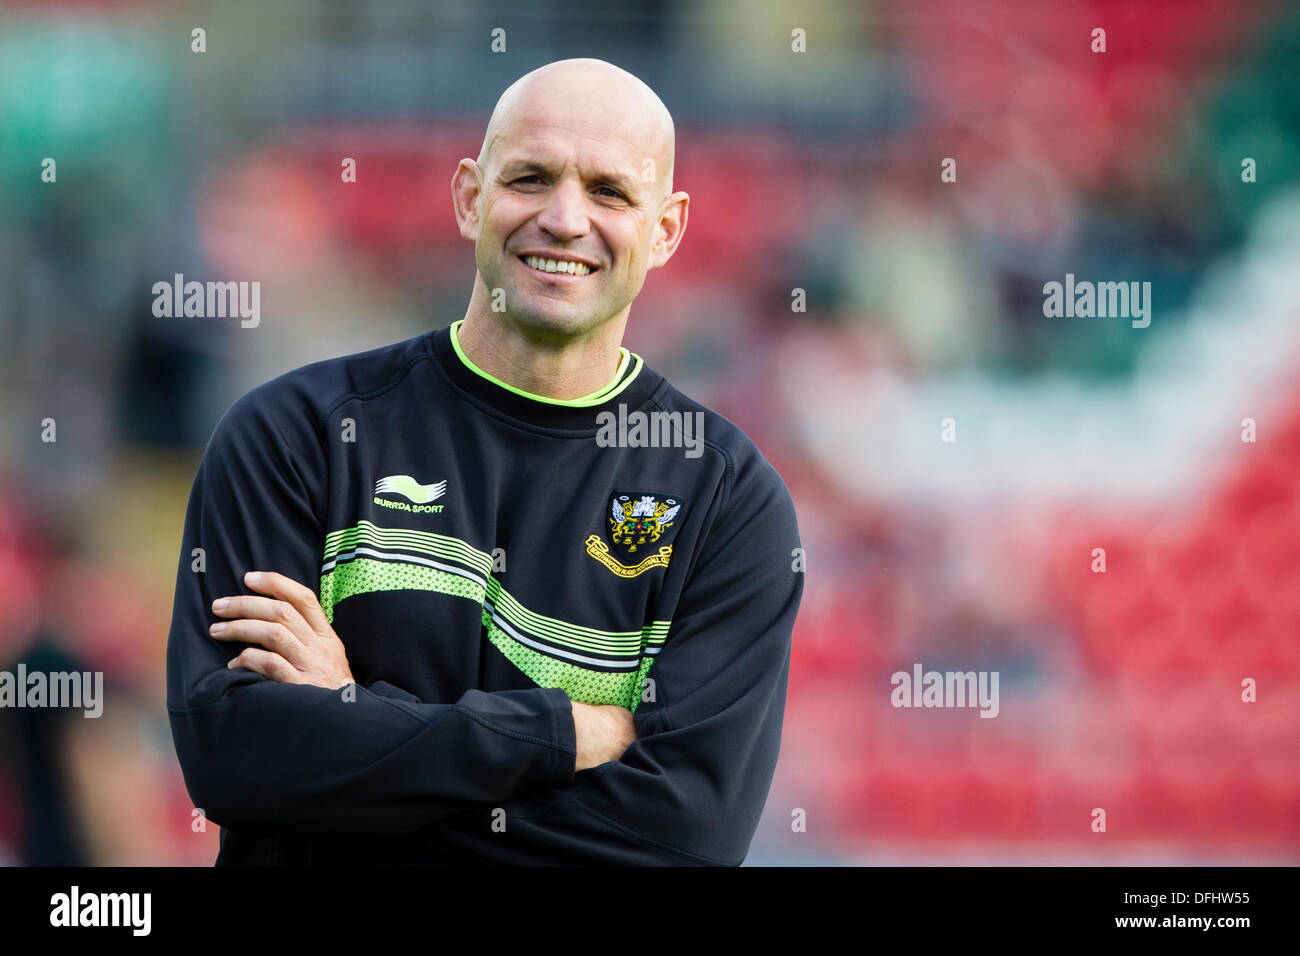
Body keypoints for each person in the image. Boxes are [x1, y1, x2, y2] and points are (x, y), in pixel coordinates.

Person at [166, 57, 803, 865]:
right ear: (470, 197)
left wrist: (350, 720)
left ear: (666, 228)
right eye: (531, 178)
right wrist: (565, 732)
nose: (565, 219)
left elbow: (682, 841)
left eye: (609, 191)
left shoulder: (726, 498)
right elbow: (236, 757)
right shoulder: (295, 435)